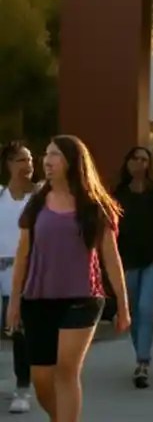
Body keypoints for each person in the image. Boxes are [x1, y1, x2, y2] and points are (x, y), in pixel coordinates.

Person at [7, 136, 129, 422]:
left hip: (82, 298)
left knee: (66, 370)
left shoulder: (95, 206)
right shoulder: (36, 204)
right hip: (37, 299)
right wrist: (14, 302)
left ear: (73, 162)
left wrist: (123, 306)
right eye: (46, 154)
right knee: (41, 378)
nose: (47, 161)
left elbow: (111, 259)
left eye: (56, 155)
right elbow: (22, 256)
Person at [112, 146, 153, 389]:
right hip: (127, 260)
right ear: (127, 163)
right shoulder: (118, 195)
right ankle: (140, 351)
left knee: (146, 307)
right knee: (133, 312)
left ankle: (143, 361)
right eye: (135, 159)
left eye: (144, 160)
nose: (140, 164)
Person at [0, 142, 38, 413]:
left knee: (21, 335)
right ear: (8, 165)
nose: (27, 165)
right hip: (2, 276)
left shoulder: (40, 197)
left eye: (29, 159)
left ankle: (23, 388)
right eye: (20, 160)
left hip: (29, 277)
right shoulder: (0, 197)